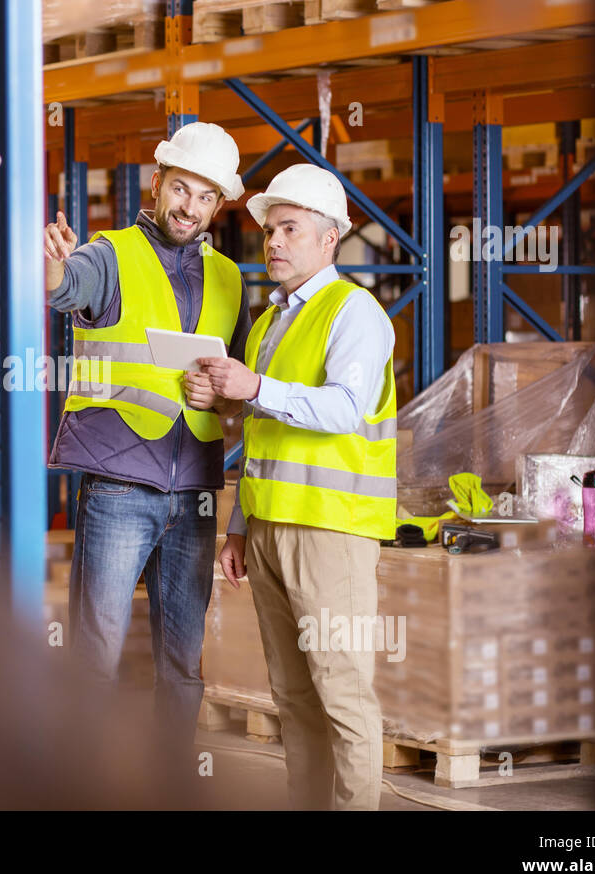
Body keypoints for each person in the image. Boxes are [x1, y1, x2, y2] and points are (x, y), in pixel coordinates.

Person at [43, 122, 250, 757]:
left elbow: (238, 385)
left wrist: (217, 394)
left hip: (195, 494)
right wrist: (47, 270)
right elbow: (62, 288)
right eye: (181, 189)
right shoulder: (109, 255)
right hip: (119, 486)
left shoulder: (230, 279)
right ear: (157, 183)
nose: (190, 207)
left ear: (220, 205)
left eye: (206, 197)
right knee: (97, 657)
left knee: (183, 666)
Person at [202, 163, 397, 810]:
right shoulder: (267, 326)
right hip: (268, 532)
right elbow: (259, 438)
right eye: (269, 231)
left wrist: (253, 387)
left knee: (340, 693)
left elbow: (345, 409)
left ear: (329, 239)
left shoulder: (355, 313)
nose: (275, 242)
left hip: (330, 532)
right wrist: (237, 527)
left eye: (290, 228)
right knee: (291, 696)